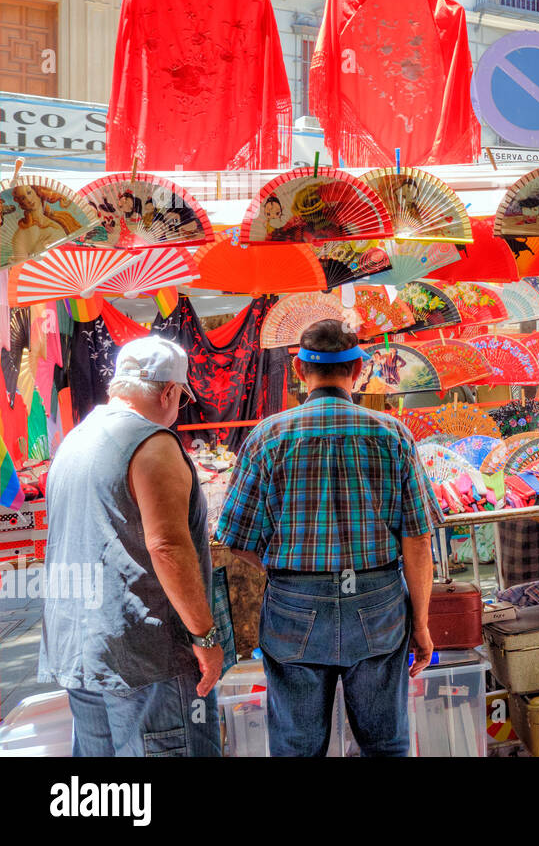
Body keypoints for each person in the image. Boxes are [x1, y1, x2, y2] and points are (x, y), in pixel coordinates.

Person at [214, 319, 439, 756]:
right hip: (378, 605)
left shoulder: (268, 437)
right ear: (358, 369)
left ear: (299, 369)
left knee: (296, 747)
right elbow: (417, 540)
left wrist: (291, 574)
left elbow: (236, 538)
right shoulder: (392, 435)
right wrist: (422, 625)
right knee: (387, 744)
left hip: (293, 606)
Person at [38, 337, 222, 756]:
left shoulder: (75, 440)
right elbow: (167, 547)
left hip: (82, 653)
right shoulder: (152, 442)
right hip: (145, 656)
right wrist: (205, 636)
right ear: (170, 392)